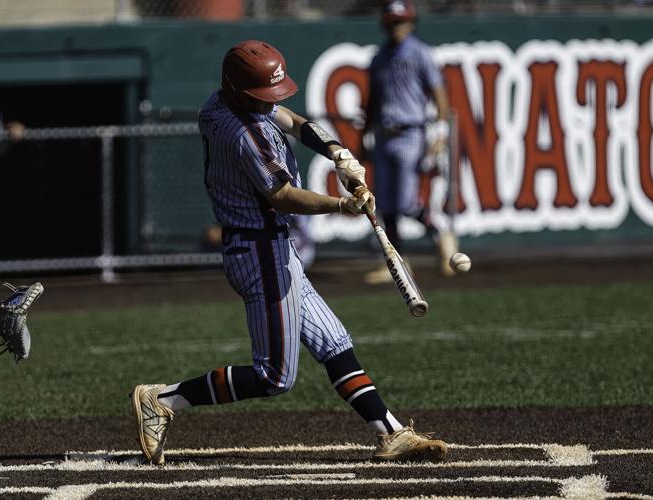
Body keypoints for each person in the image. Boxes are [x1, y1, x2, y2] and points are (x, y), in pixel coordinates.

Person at [129, 39, 447, 465]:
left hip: (274, 246)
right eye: (263, 95)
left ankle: (389, 432)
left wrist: (337, 152)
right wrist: (343, 204)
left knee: (334, 343)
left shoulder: (226, 102)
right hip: (259, 252)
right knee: (274, 376)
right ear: (240, 92)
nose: (271, 103)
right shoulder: (243, 134)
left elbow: (294, 122)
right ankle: (164, 399)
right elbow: (281, 196)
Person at [362, 0, 457, 285]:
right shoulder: (379, 57)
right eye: (392, 22)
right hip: (383, 133)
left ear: (411, 23)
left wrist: (439, 131)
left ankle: (441, 233)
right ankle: (397, 263)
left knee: (405, 202)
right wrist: (363, 135)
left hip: (410, 132)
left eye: (401, 22)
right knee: (386, 206)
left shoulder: (420, 53)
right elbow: (373, 101)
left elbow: (439, 93)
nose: (397, 27)